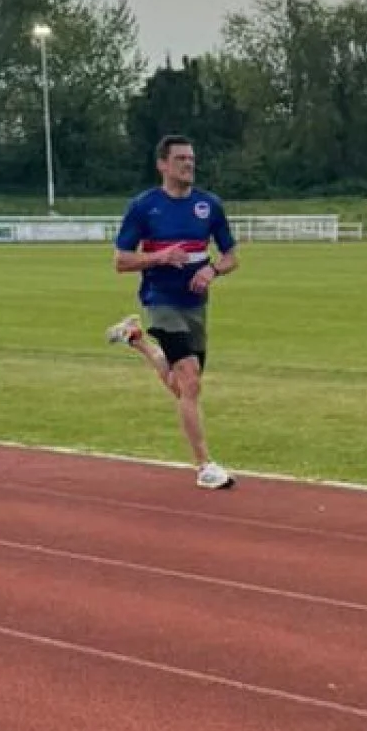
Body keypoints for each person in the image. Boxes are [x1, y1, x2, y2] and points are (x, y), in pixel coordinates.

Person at [106, 134, 239, 489]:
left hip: (195, 305)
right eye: (181, 158)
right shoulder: (144, 206)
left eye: (191, 158)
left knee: (184, 388)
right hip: (159, 301)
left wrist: (212, 270)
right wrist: (159, 258)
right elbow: (120, 261)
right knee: (189, 377)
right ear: (163, 164)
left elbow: (231, 256)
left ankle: (138, 342)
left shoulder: (209, 206)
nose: (189, 164)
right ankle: (205, 466)